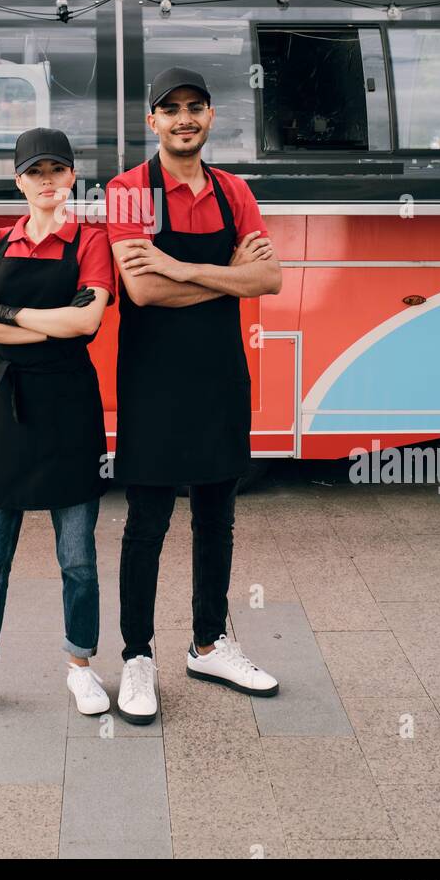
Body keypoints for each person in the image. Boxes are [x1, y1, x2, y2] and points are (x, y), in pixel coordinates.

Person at [106, 68, 283, 724]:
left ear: (211, 118)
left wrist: (182, 267)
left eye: (196, 108)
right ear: (152, 121)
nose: (184, 118)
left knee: (218, 514)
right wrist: (228, 275)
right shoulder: (126, 193)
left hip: (219, 375)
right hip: (152, 378)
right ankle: (136, 658)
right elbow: (143, 291)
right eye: (171, 109)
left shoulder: (234, 190)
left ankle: (210, 642)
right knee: (145, 523)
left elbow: (270, 278)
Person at [0, 127, 115, 723]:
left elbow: (88, 322)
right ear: (19, 182)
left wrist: (8, 313)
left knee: (77, 556)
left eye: (58, 171)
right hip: (5, 408)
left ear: (71, 178)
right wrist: (46, 323)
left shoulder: (92, 238)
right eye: (36, 173)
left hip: (69, 408)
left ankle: (81, 668)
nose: (48, 182)